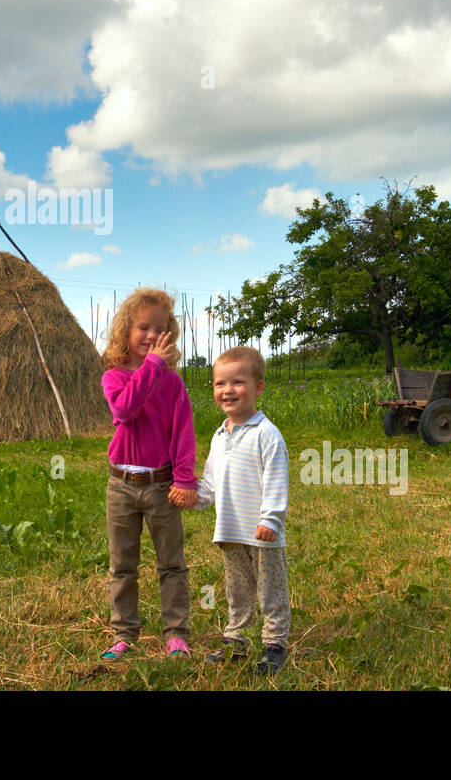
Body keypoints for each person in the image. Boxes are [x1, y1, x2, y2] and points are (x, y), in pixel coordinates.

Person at [99, 288, 197, 659]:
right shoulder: (114, 377)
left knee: (171, 563)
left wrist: (185, 479)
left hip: (162, 486)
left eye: (161, 329)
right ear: (125, 332)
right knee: (123, 565)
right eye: (143, 327)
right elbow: (125, 411)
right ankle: (124, 633)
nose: (152, 336)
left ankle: (176, 633)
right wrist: (153, 367)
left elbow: (183, 433)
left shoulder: (173, 384)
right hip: (121, 486)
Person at [193, 345, 291, 675]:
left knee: (270, 589)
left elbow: (277, 480)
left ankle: (275, 643)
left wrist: (271, 519)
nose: (228, 390)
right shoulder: (219, 435)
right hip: (230, 531)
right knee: (236, 590)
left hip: (262, 532)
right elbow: (210, 482)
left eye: (238, 382)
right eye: (220, 384)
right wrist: (193, 496)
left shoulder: (267, 434)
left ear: (258, 387)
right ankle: (238, 638)